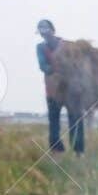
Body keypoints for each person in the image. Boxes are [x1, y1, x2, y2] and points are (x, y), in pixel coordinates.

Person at [36, 18, 84, 154]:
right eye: (41, 30)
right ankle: (57, 150)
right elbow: (43, 66)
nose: (44, 33)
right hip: (53, 90)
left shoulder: (67, 46)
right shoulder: (40, 48)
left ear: (53, 30)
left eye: (46, 29)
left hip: (71, 90)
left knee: (76, 120)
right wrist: (56, 69)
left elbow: (78, 63)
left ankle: (78, 151)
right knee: (54, 121)